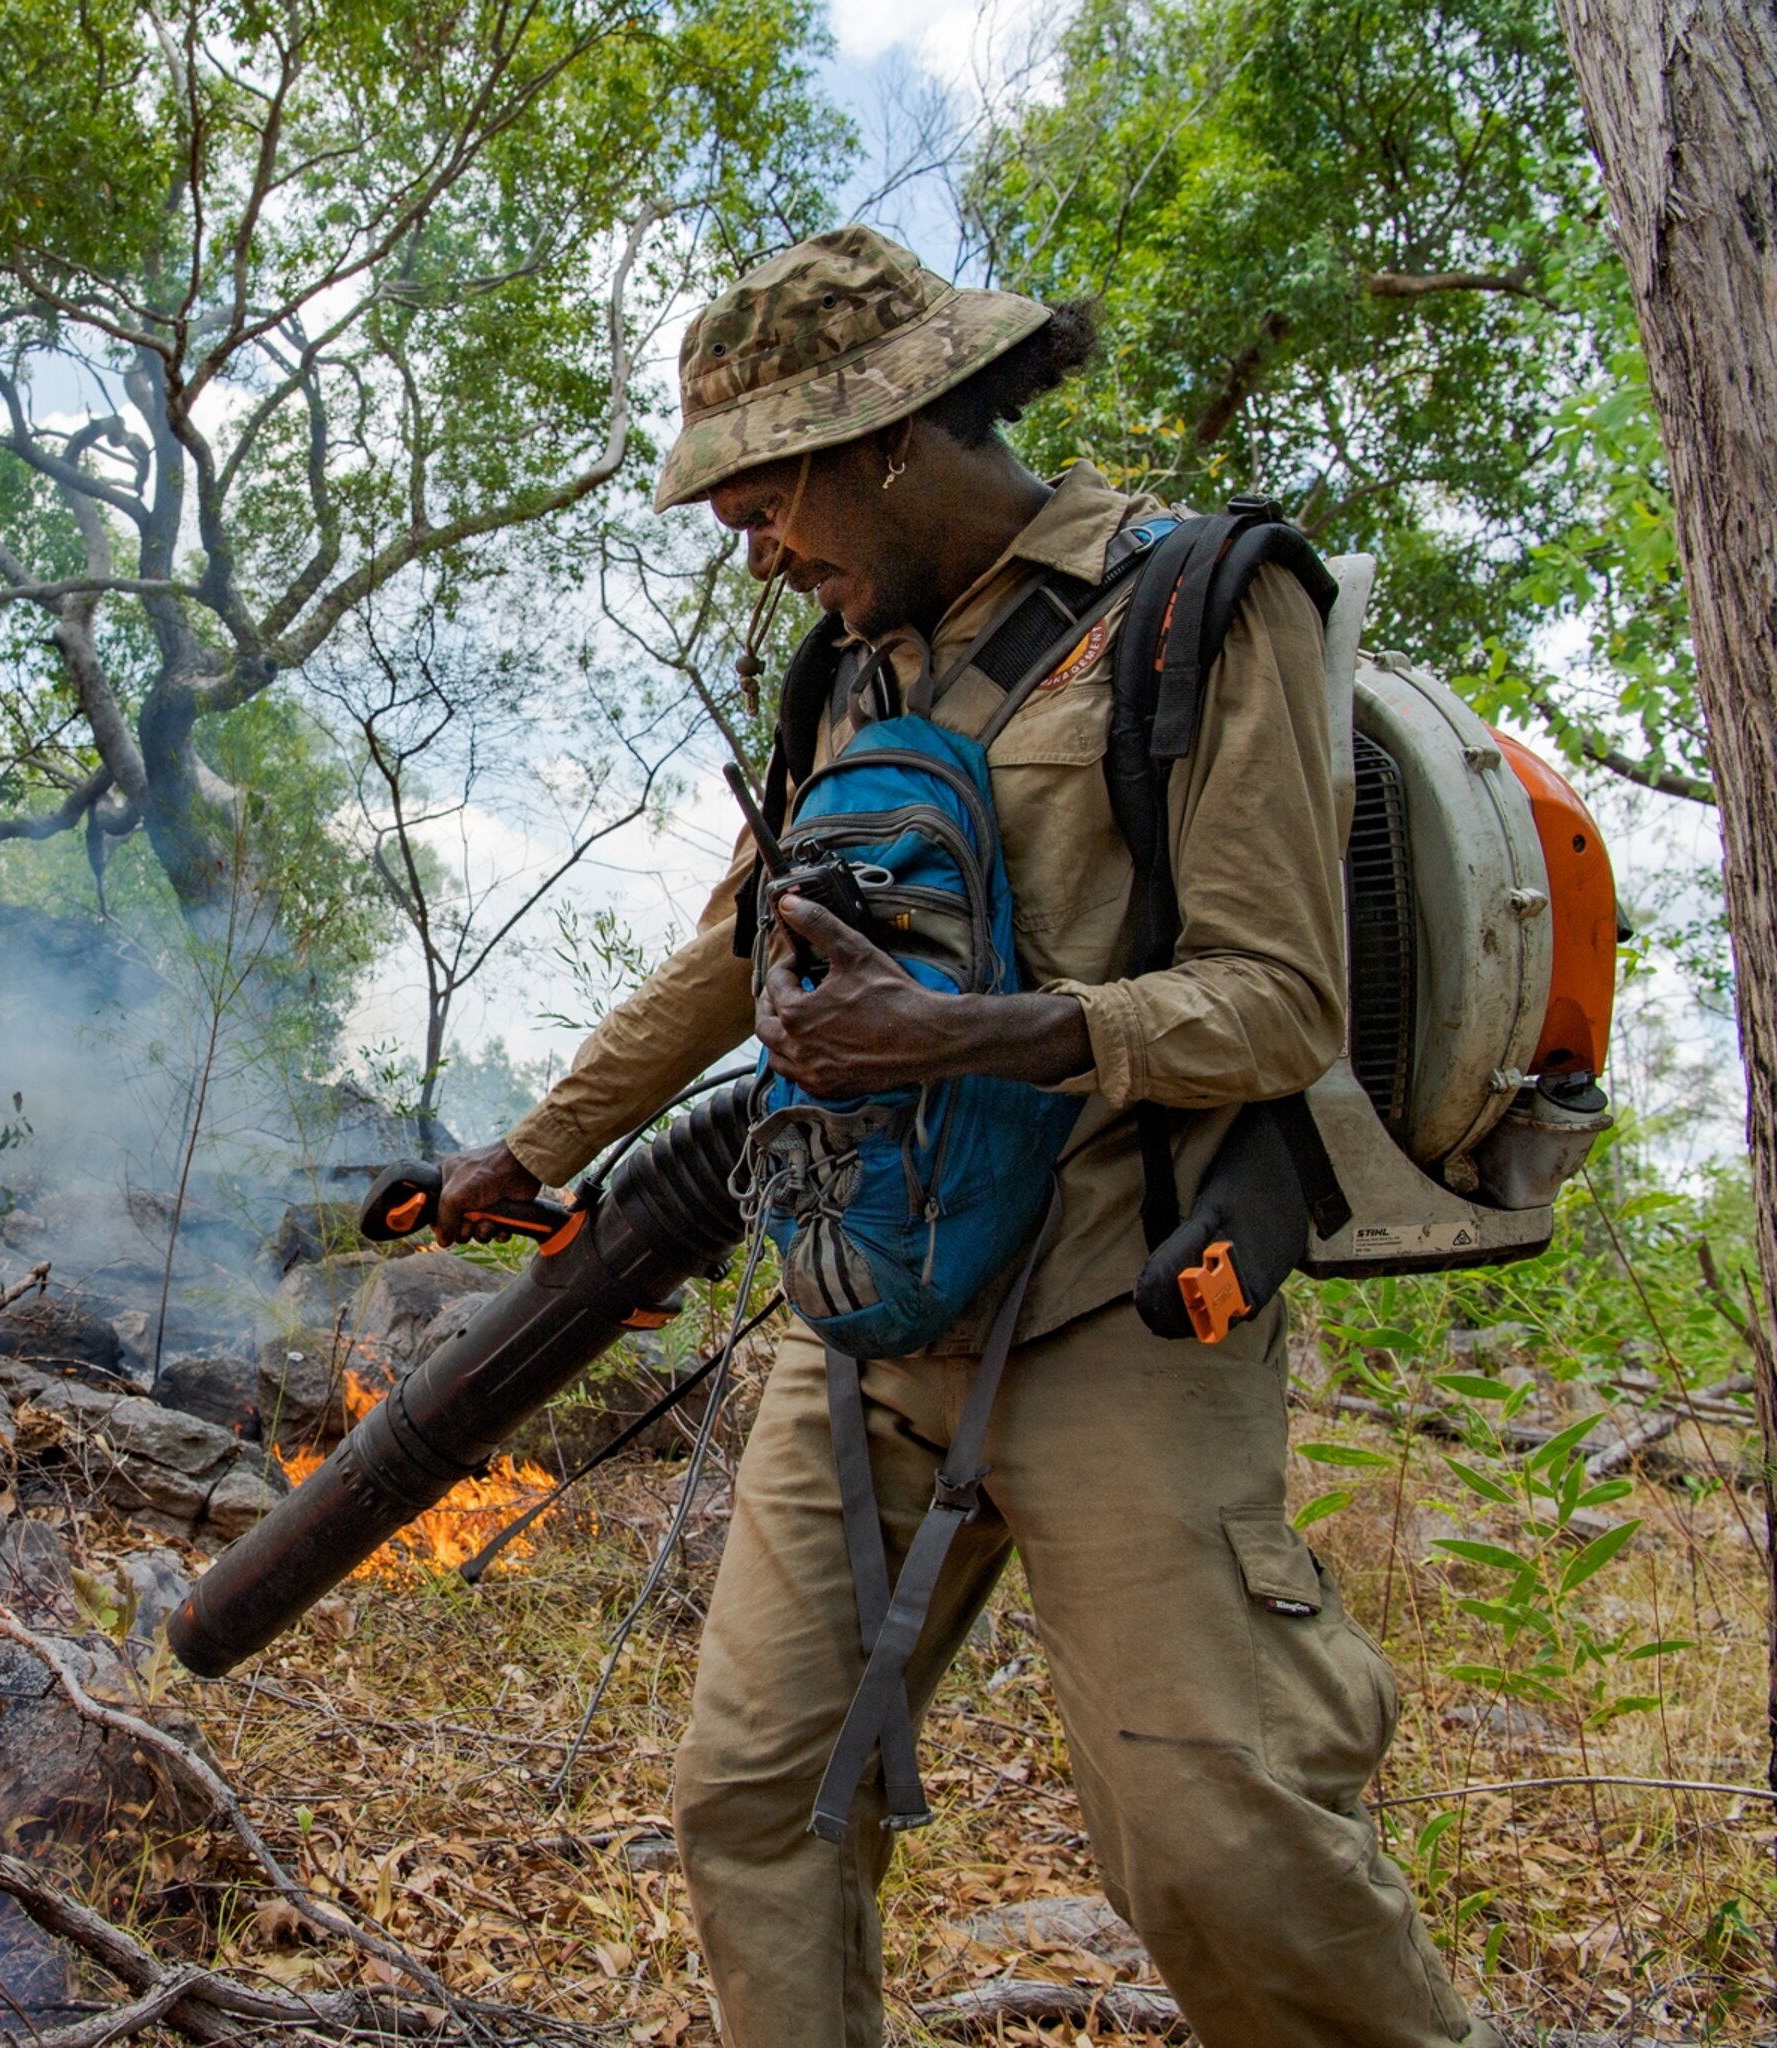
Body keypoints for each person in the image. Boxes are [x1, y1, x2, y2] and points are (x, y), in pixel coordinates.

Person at [437, 227, 1495, 2048]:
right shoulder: (846, 675)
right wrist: (528, 1155)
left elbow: (1279, 1004)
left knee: (1211, 1841)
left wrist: (974, 1032)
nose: (756, 556)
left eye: (765, 507)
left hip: (1117, 1313)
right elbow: (733, 956)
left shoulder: (1201, 605)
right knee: (754, 1801)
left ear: (892, 440)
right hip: (871, 1320)